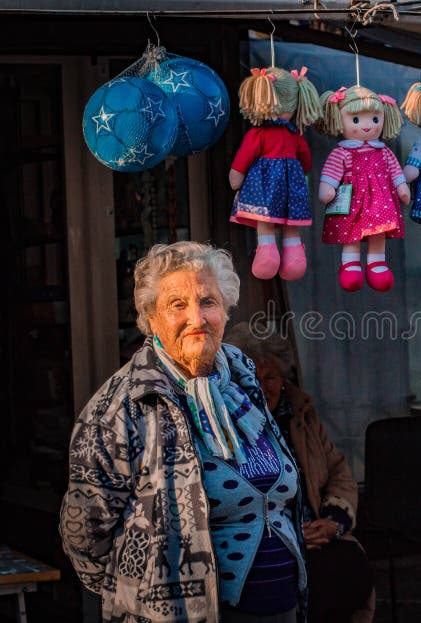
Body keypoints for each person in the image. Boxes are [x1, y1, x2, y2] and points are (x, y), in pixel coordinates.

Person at [60, 241, 306, 623]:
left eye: (208, 301)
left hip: (280, 607)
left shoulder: (242, 381)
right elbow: (84, 533)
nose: (197, 317)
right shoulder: (123, 404)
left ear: (225, 310)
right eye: (177, 305)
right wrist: (143, 596)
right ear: (151, 318)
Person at [225, 322, 374, 623]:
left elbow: (339, 472)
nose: (262, 387)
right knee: (311, 579)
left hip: (318, 534)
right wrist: (289, 535)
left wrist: (333, 522)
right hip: (266, 545)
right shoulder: (225, 424)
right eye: (251, 378)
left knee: (351, 566)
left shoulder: (300, 414)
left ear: (283, 378)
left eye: (271, 377)